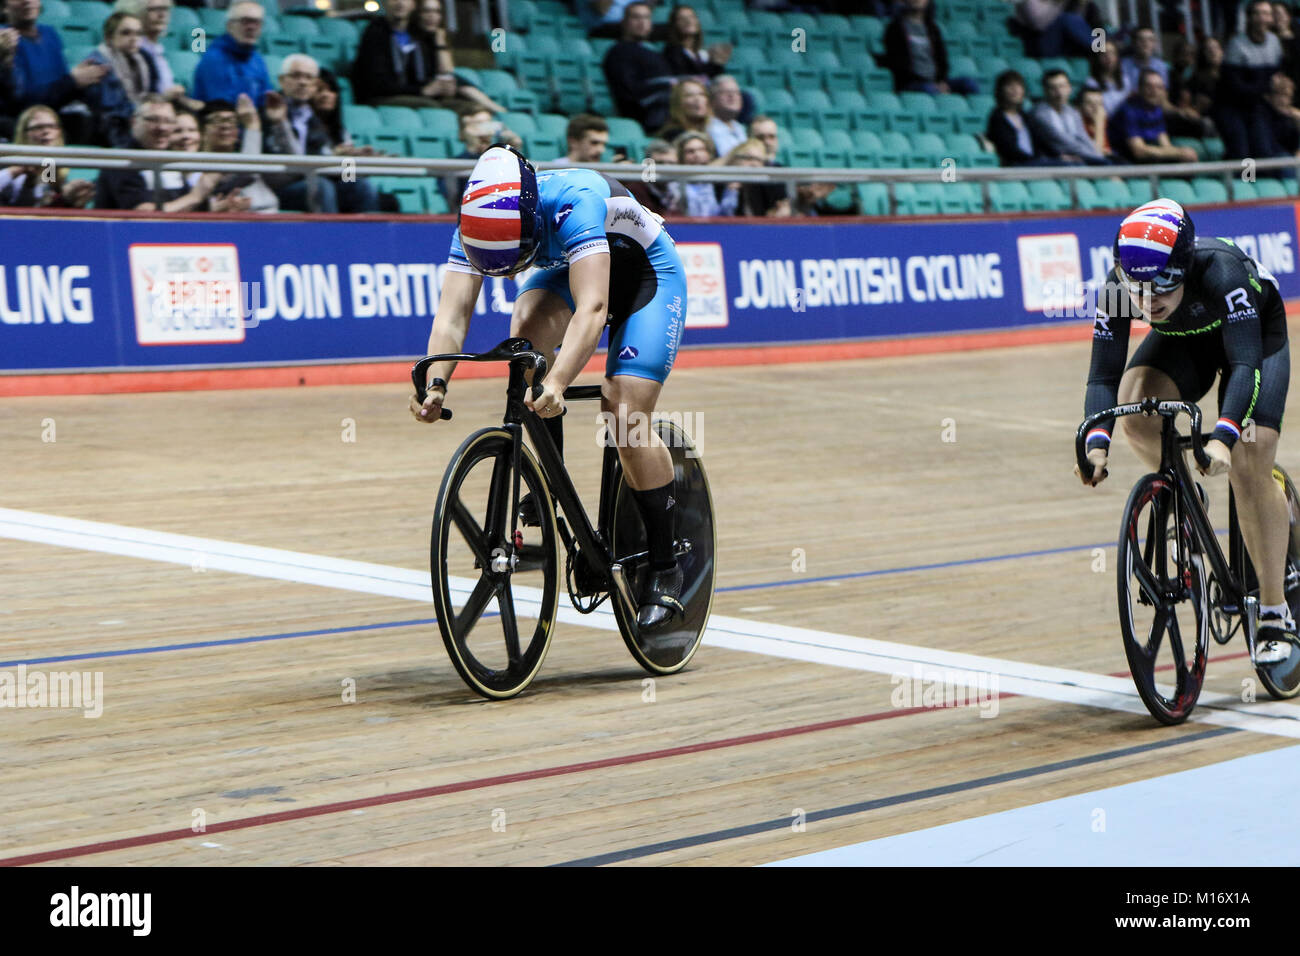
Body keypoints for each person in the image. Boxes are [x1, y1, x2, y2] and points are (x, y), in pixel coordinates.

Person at [411, 144, 690, 630]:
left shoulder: (573, 200)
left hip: (647, 275)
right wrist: (437, 382)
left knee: (623, 415)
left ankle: (666, 565)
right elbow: (453, 314)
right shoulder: (474, 224)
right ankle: (551, 481)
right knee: (525, 342)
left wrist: (559, 381)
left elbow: (594, 309)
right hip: (575, 265)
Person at [1079, 198, 1297, 663]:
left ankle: (1276, 613)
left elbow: (1243, 366)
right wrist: (1096, 443)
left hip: (1255, 343)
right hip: (1188, 340)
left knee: (1247, 462)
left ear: (1186, 265)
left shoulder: (1222, 272)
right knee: (1135, 406)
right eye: (1136, 286)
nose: (1147, 299)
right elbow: (1102, 377)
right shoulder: (1122, 288)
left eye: (1162, 284)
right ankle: (1185, 495)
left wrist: (1222, 436)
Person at [260, 54, 379, 214]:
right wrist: (333, 158)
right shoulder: (267, 113)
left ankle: (367, 239)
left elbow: (347, 177)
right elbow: (299, 165)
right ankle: (329, 238)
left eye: (308, 78)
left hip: (317, 181)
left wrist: (351, 162)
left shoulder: (320, 122)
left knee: (360, 186)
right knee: (321, 186)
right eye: (296, 76)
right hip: (279, 186)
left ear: (314, 85)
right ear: (282, 80)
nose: (302, 82)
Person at [93, 94, 229, 210]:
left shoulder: (170, 159)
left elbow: (180, 206)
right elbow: (142, 215)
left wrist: (215, 209)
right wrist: (195, 197)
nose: (162, 127)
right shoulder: (122, 161)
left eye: (168, 121)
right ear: (134, 122)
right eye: (153, 120)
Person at [4, 0, 110, 143]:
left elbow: (60, 87)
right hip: (19, 119)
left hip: (54, 112)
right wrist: (72, 81)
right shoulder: (4, 41)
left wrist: (83, 80)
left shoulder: (50, 33)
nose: (27, 1)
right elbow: (21, 100)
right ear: (4, 7)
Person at [1216, 0, 1285, 160]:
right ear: (1250, 18)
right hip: (1232, 107)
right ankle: (1243, 181)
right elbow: (1235, 87)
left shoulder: (1274, 42)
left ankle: (1258, 183)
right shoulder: (1237, 45)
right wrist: (1268, 86)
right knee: (1243, 154)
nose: (1262, 18)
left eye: (1266, 14)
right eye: (1257, 13)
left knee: (1263, 152)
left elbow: (1277, 74)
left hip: (1256, 106)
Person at [603, 1, 676, 133]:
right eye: (636, 17)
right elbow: (628, 92)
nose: (642, 22)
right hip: (645, 119)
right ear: (624, 22)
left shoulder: (654, 52)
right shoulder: (619, 52)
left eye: (646, 18)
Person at [0, 105, 94, 206]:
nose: (46, 131)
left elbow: (41, 206)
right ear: (24, 133)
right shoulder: (7, 162)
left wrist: (67, 198)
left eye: (52, 126)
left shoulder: (51, 166)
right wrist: (15, 171)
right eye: (38, 127)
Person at [200, 96, 278, 212]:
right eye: (217, 120)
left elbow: (249, 171)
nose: (226, 126)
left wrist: (253, 125)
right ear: (202, 130)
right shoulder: (193, 164)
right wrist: (252, 125)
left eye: (232, 121)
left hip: (268, 218)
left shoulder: (249, 158)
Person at [112, 0, 195, 109]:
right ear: (135, 14)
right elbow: (131, 101)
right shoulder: (132, 53)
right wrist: (165, 97)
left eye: (165, 9)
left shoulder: (156, 50)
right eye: (153, 9)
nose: (162, 15)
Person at [83, 12, 149, 147]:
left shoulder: (139, 61)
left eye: (138, 33)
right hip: (108, 135)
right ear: (109, 38)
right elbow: (109, 110)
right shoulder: (98, 64)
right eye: (126, 33)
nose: (134, 38)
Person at [882, 0, 976, 94]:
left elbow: (942, 60)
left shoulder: (933, 29)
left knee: (968, 84)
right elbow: (898, 65)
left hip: (936, 82)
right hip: (912, 83)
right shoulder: (895, 29)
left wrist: (941, 82)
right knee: (929, 89)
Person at [1107, 69, 1199, 163]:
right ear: (1139, 89)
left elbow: (1165, 144)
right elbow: (1139, 152)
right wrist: (1178, 153)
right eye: (1149, 86)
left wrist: (1182, 153)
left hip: (1147, 157)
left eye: (1159, 87)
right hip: (1123, 160)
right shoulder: (1129, 111)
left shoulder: (1156, 109)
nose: (1154, 91)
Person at [192, 1, 272, 109]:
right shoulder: (213, 59)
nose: (251, 27)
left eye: (257, 22)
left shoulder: (258, 60)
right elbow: (220, 108)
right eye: (245, 21)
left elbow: (265, 101)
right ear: (229, 26)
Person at [170, 106, 250, 211]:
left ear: (201, 135)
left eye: (192, 130)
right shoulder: (156, 172)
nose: (186, 136)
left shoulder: (212, 174)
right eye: (177, 131)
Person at [1030, 68, 1111, 163]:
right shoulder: (1040, 114)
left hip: (1081, 158)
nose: (1059, 93)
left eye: (1062, 86)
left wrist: (1096, 155)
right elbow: (1065, 144)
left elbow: (1084, 138)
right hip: (1054, 161)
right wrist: (1096, 157)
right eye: (1053, 88)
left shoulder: (1073, 112)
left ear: (1069, 88)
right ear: (1045, 90)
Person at [987, 69, 1065, 166]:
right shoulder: (997, 118)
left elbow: (1041, 141)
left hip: (1034, 162)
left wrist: (1059, 156)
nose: (1015, 90)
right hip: (1015, 164)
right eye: (1009, 86)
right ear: (1001, 90)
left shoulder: (1026, 117)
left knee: (1072, 164)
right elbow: (1008, 149)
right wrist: (1034, 159)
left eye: (1018, 86)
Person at [665, 131, 737, 216]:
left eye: (702, 150)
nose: (697, 155)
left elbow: (727, 215)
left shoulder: (719, 181)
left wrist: (731, 191)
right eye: (690, 151)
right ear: (681, 156)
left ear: (709, 153)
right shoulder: (673, 183)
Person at [662, 4, 730, 79]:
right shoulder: (672, 52)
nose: (688, 21)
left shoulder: (701, 53)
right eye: (681, 18)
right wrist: (713, 64)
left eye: (692, 17)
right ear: (674, 25)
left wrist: (717, 63)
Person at [623, 137, 674, 215]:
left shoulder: (681, 190)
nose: (666, 168)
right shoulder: (635, 190)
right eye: (660, 163)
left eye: (671, 163)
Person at [655, 76, 710, 141]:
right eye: (689, 95)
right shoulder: (673, 134)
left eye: (701, 94)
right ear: (678, 102)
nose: (698, 99)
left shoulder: (711, 130)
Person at [705, 74, 745, 157]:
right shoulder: (707, 127)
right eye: (725, 92)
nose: (732, 96)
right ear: (712, 98)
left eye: (736, 92)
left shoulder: (740, 128)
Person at [1086, 45, 1132, 116]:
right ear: (1098, 58)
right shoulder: (1092, 83)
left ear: (1117, 57)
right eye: (1104, 54)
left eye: (1112, 53)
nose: (1108, 57)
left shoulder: (1125, 80)